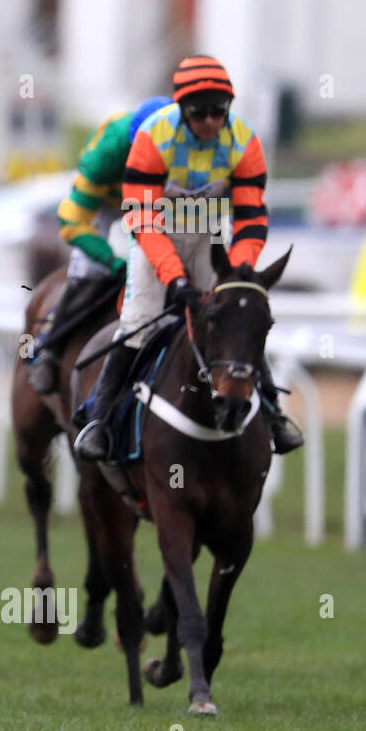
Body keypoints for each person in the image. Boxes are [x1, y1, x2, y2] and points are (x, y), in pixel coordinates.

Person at [74, 55, 304, 460]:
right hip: (154, 237)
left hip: (208, 240)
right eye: (201, 113)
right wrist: (175, 279)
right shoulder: (152, 137)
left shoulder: (245, 142)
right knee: (139, 321)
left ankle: (272, 415)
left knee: (234, 314)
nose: (212, 121)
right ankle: (99, 419)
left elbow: (251, 215)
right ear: (182, 109)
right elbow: (141, 218)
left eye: (220, 111)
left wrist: (244, 263)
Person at [25, 95, 169, 394]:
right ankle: (49, 348)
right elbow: (72, 221)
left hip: (155, 205)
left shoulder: (188, 149)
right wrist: (111, 261)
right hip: (107, 203)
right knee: (89, 271)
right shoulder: (107, 151)